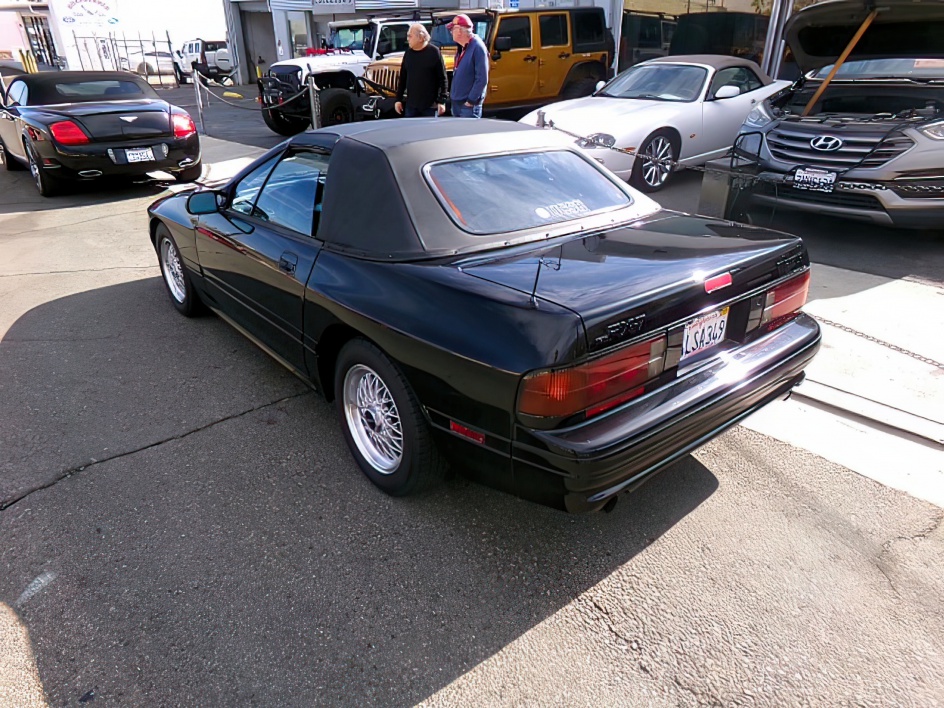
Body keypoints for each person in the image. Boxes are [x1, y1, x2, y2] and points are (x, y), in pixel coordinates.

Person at [395, 24, 448, 118]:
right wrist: (398, 99)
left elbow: (443, 79)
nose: (407, 39)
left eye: (410, 36)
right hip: (411, 105)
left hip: (430, 106)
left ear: (421, 37)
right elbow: (403, 78)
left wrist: (442, 101)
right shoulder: (408, 54)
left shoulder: (434, 52)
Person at [447, 14, 488, 118]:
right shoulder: (462, 46)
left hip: (468, 107)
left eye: (452, 29)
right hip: (458, 104)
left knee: (467, 133)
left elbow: (482, 79)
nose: (451, 32)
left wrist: (471, 101)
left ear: (460, 31)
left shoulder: (478, 47)